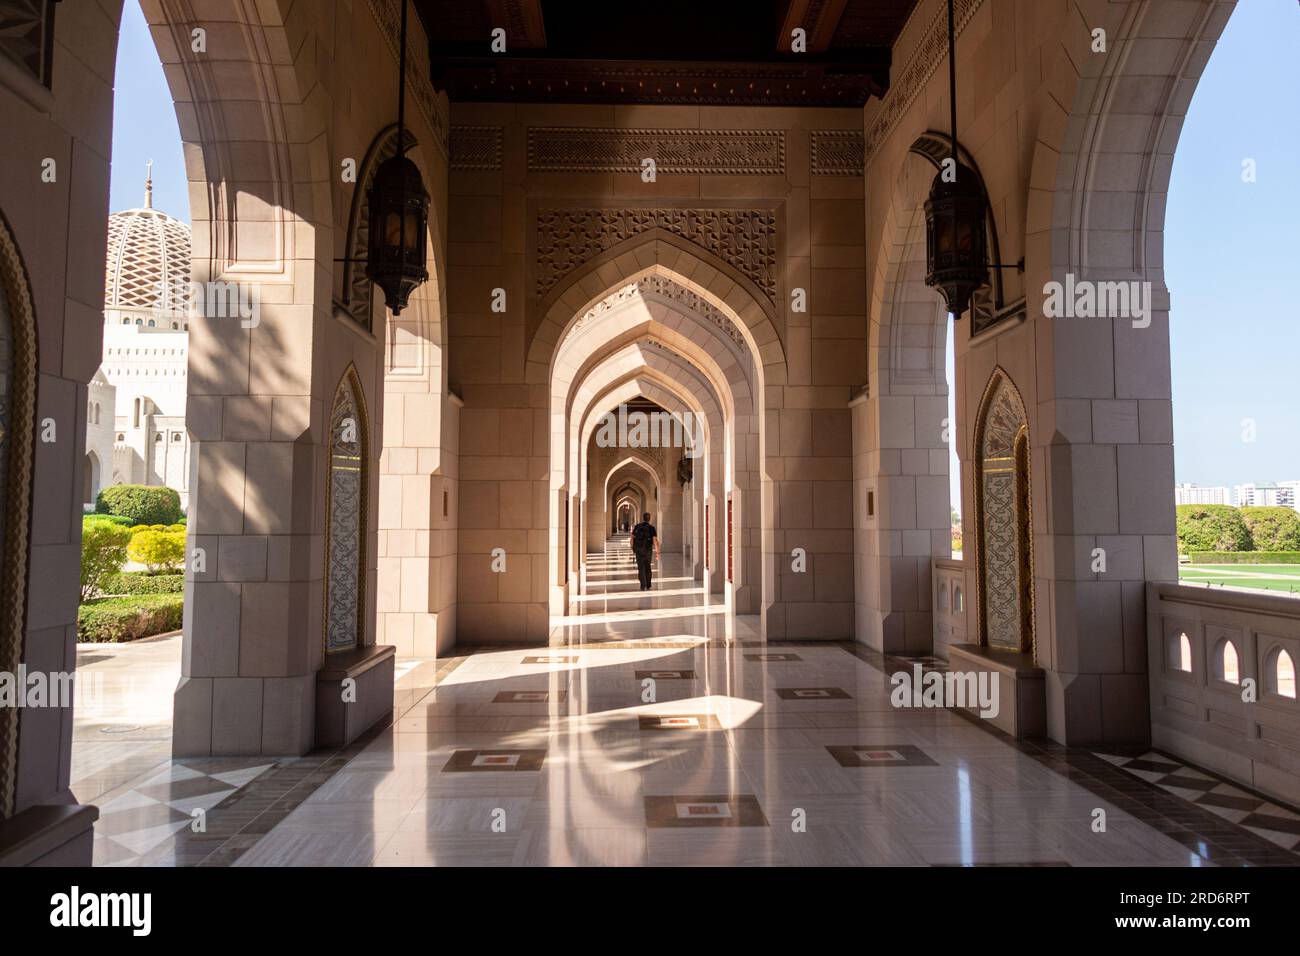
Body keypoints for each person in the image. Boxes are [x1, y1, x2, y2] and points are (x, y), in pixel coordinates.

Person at [631, 511, 659, 591]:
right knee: (647, 567)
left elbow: (632, 538)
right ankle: (648, 585)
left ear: (643, 518)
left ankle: (643, 585)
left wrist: (633, 548)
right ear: (649, 519)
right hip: (647, 550)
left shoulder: (637, 527)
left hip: (639, 550)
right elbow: (654, 540)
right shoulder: (651, 528)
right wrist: (657, 552)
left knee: (641, 568)